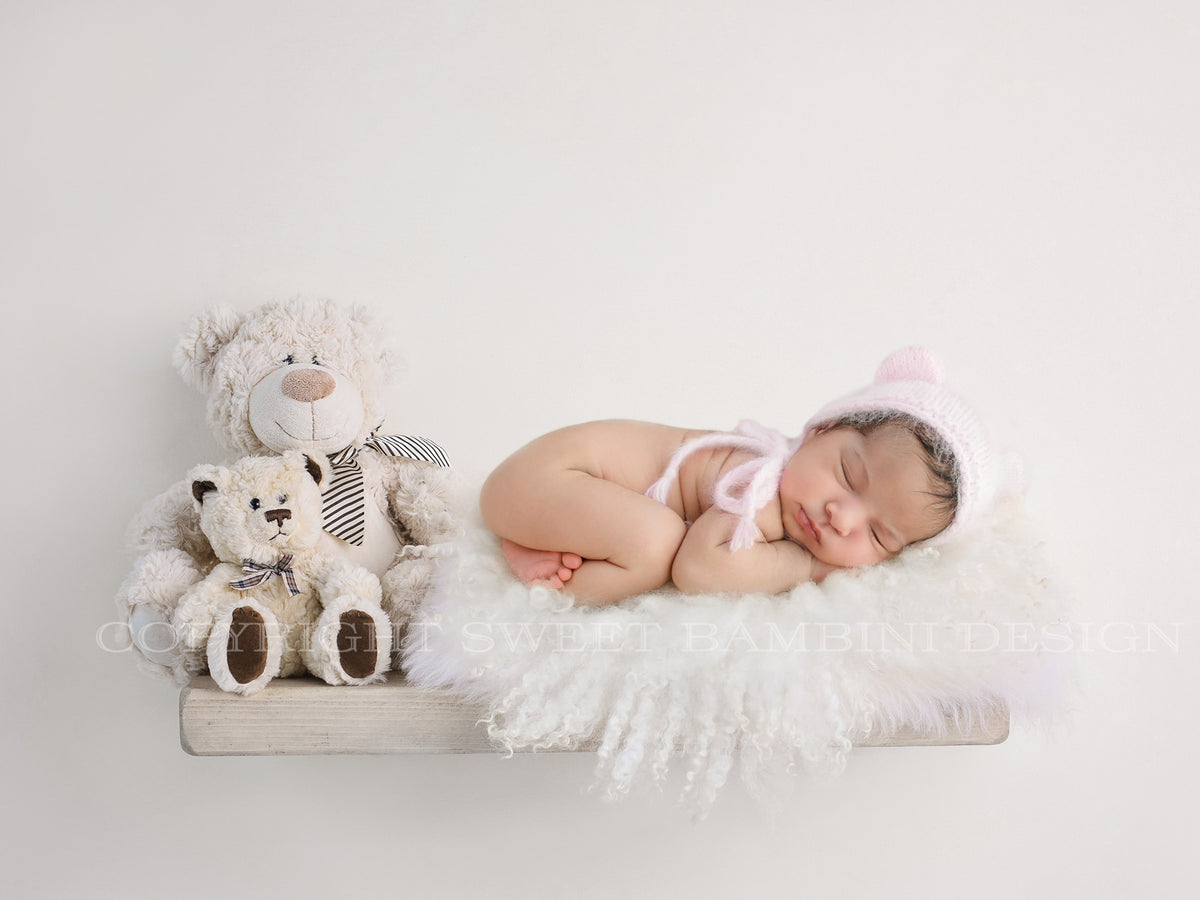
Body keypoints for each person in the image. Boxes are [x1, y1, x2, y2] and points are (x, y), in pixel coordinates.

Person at [480, 347, 998, 607]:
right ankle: (535, 587)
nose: (842, 518)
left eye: (879, 535)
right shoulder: (759, 484)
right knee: (656, 543)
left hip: (548, 488)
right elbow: (702, 571)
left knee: (649, 534)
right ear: (821, 429)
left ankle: (541, 534)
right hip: (548, 476)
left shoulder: (797, 493)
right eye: (847, 475)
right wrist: (806, 569)